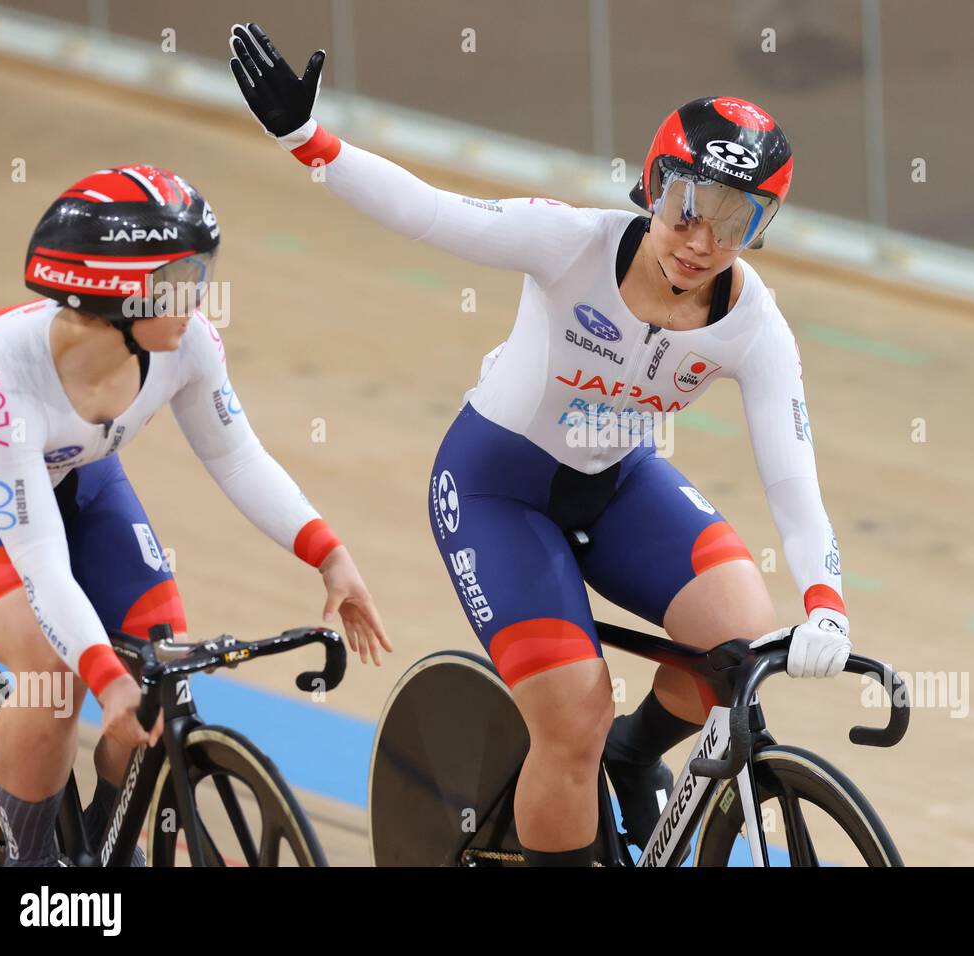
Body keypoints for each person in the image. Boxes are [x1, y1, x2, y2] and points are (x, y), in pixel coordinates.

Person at [229, 22, 850, 866]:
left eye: (735, 219)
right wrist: (309, 140)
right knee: (571, 718)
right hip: (496, 490)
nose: (702, 239)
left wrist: (827, 599)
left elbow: (791, 475)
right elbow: (431, 214)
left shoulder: (754, 326)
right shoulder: (573, 245)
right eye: (688, 205)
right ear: (652, 186)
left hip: (614, 482)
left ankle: (635, 755)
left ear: (762, 228)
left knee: (738, 633)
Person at [0, 164, 391, 866]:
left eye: (201, 272)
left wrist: (329, 552)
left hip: (81, 477)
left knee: (165, 662)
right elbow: (42, 564)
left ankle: (114, 848)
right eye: (181, 280)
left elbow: (237, 459)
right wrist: (103, 678)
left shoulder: (186, 342)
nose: (199, 296)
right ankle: (35, 877)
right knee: (52, 674)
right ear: (116, 295)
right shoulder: (0, 382)